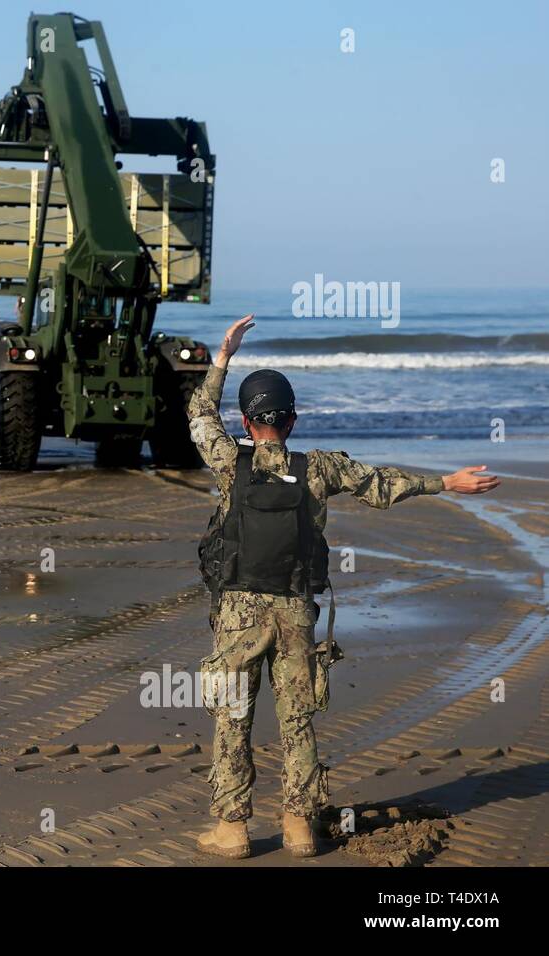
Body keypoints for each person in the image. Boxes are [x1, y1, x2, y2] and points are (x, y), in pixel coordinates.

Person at [190, 315, 500, 860]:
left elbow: (198, 414)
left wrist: (222, 357)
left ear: (246, 420)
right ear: (293, 419)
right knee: (298, 721)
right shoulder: (320, 468)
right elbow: (381, 484)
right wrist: (446, 482)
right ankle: (299, 828)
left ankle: (233, 830)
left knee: (232, 717)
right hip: (294, 613)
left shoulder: (227, 462)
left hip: (239, 613)